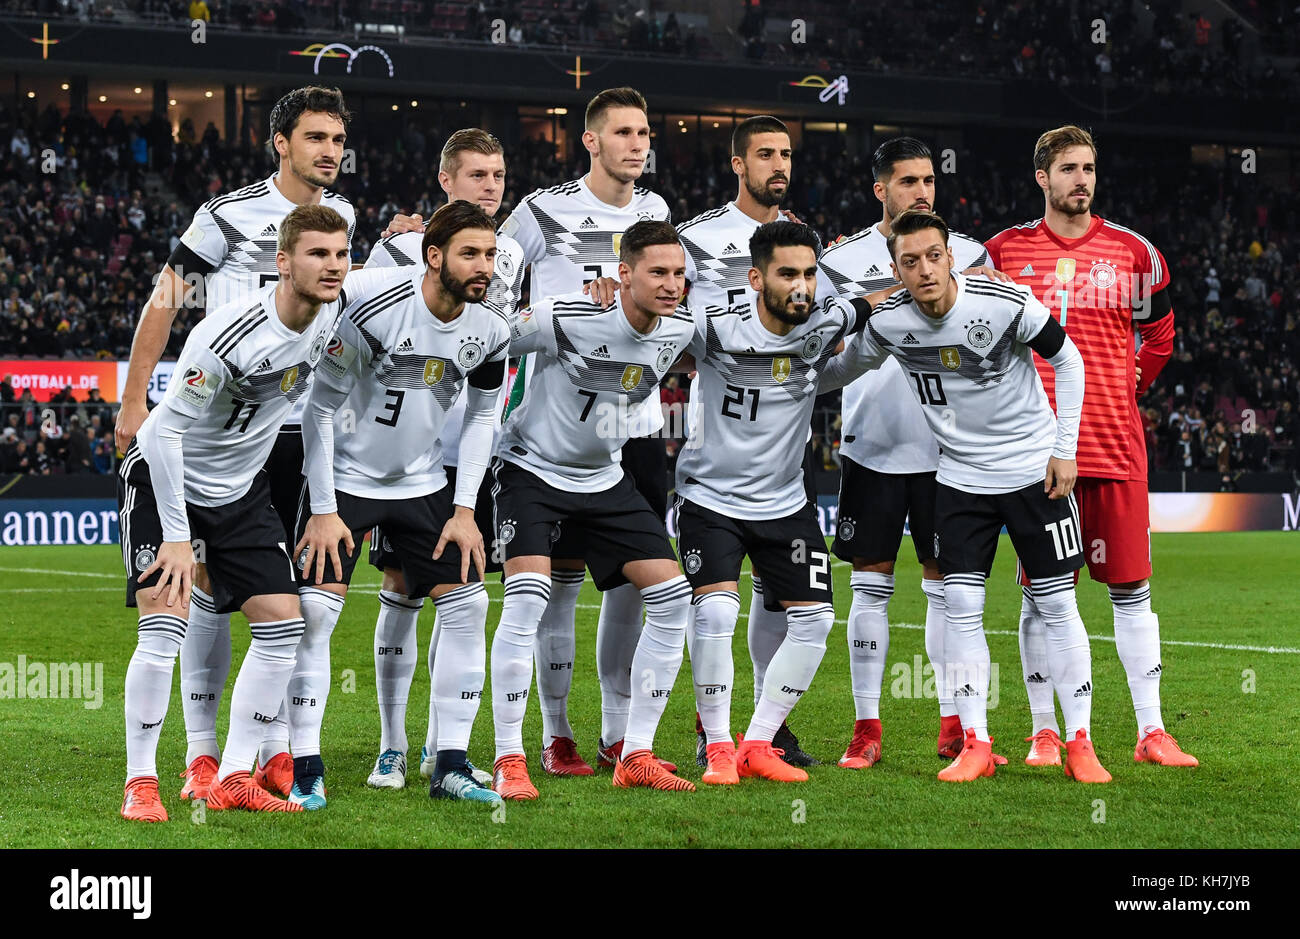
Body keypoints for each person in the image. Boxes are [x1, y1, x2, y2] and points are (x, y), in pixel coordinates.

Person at [115, 86, 361, 804]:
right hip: (200, 415)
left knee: (284, 608)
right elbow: (167, 296)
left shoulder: (338, 223)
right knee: (193, 601)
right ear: (279, 141)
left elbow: (342, 336)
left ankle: (262, 759)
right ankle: (190, 757)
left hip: (274, 431)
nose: (329, 152)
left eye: (339, 140)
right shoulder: (227, 215)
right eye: (315, 137)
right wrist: (135, 396)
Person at [819, 209, 1110, 784]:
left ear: (951, 256)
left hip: (1033, 475)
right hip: (960, 482)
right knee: (962, 611)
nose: (924, 270)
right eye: (909, 261)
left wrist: (1064, 447)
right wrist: (771, 360)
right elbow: (836, 372)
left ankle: (1081, 741)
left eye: (933, 256)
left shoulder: (1004, 302)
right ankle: (974, 741)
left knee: (1056, 605)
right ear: (895, 269)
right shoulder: (889, 323)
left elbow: (1068, 358)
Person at [985, 125, 1196, 768]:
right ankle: (1045, 731)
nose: (1083, 179)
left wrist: (1132, 384)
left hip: (1114, 446)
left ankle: (1150, 731)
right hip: (1037, 453)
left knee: (1132, 590)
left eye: (1091, 168)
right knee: (1042, 594)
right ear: (1042, 178)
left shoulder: (1134, 254)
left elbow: (1159, 335)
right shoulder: (1003, 252)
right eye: (1069, 168)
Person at [292, 201, 510, 807]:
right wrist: (325, 508)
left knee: (467, 606)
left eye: (490, 254)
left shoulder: (491, 328)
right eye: (470, 253)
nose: (483, 266)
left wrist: (465, 511)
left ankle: (452, 767)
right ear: (433, 255)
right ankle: (305, 766)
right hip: (346, 484)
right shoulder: (371, 306)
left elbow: (482, 418)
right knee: (314, 615)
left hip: (421, 487)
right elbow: (321, 410)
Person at [494, 87, 672, 776]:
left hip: (638, 423)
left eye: (645, 131)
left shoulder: (656, 211)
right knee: (559, 585)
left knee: (634, 584)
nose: (638, 143)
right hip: (559, 423)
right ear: (591, 142)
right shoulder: (542, 209)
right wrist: (560, 309)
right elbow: (494, 287)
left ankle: (623, 733)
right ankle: (557, 729)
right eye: (624, 132)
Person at [489, 220, 696, 798]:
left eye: (679, 273)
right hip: (530, 468)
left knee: (673, 597)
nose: (671, 284)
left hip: (606, 478)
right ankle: (515, 755)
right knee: (530, 598)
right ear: (623, 273)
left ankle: (636, 751)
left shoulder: (682, 328)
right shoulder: (567, 315)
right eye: (657, 272)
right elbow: (491, 337)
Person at [817, 137, 1005, 768]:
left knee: (947, 591)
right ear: (881, 190)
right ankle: (866, 728)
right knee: (869, 588)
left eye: (929, 180)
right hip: (872, 444)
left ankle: (955, 724)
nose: (922, 191)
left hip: (949, 451)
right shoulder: (841, 259)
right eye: (908, 182)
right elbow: (821, 346)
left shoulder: (969, 254)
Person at [676, 220, 872, 785]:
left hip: (785, 503)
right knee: (716, 610)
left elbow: (871, 303)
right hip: (710, 497)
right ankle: (715, 745)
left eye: (810, 274)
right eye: (788, 274)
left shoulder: (823, 321)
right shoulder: (711, 326)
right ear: (757, 278)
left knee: (814, 621)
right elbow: (648, 328)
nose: (802, 286)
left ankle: (758, 741)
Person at [675, 116, 819, 768]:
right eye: (765, 153)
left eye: (786, 153)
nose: (778, 164)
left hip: (784, 449)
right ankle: (711, 734)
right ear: (738, 163)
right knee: (707, 605)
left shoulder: (803, 243)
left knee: (780, 601)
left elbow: (830, 320)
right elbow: (664, 312)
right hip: (718, 436)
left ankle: (768, 728)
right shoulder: (698, 239)